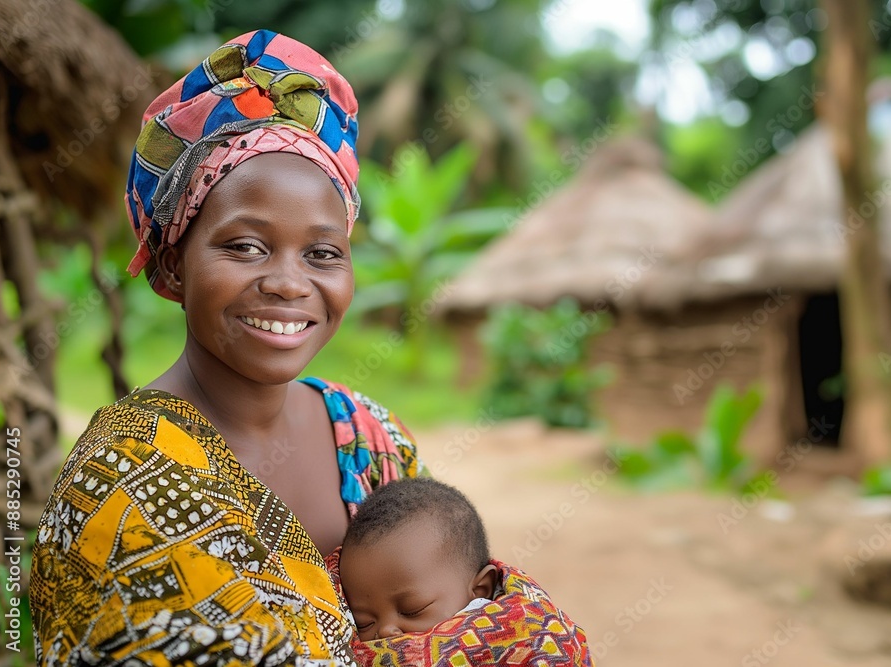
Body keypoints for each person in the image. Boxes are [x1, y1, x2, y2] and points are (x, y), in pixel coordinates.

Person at [29, 30, 423, 667]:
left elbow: (466, 610)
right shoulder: (121, 487)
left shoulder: (373, 439)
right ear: (172, 267)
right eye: (245, 247)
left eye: (323, 253)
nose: (290, 283)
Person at [330, 478, 595, 666]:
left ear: (480, 590)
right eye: (364, 622)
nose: (386, 631)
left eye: (412, 609)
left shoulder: (531, 636)